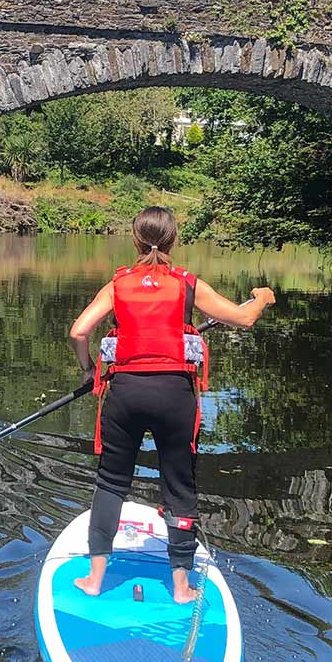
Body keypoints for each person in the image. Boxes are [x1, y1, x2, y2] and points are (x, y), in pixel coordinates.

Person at [67, 206, 274, 603]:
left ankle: (94, 581)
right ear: (174, 240)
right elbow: (244, 319)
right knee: (179, 485)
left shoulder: (118, 284)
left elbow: (79, 332)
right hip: (174, 396)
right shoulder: (187, 284)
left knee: (111, 483)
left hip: (125, 394)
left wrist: (90, 369)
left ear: (135, 240)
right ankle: (180, 588)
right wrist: (261, 298)